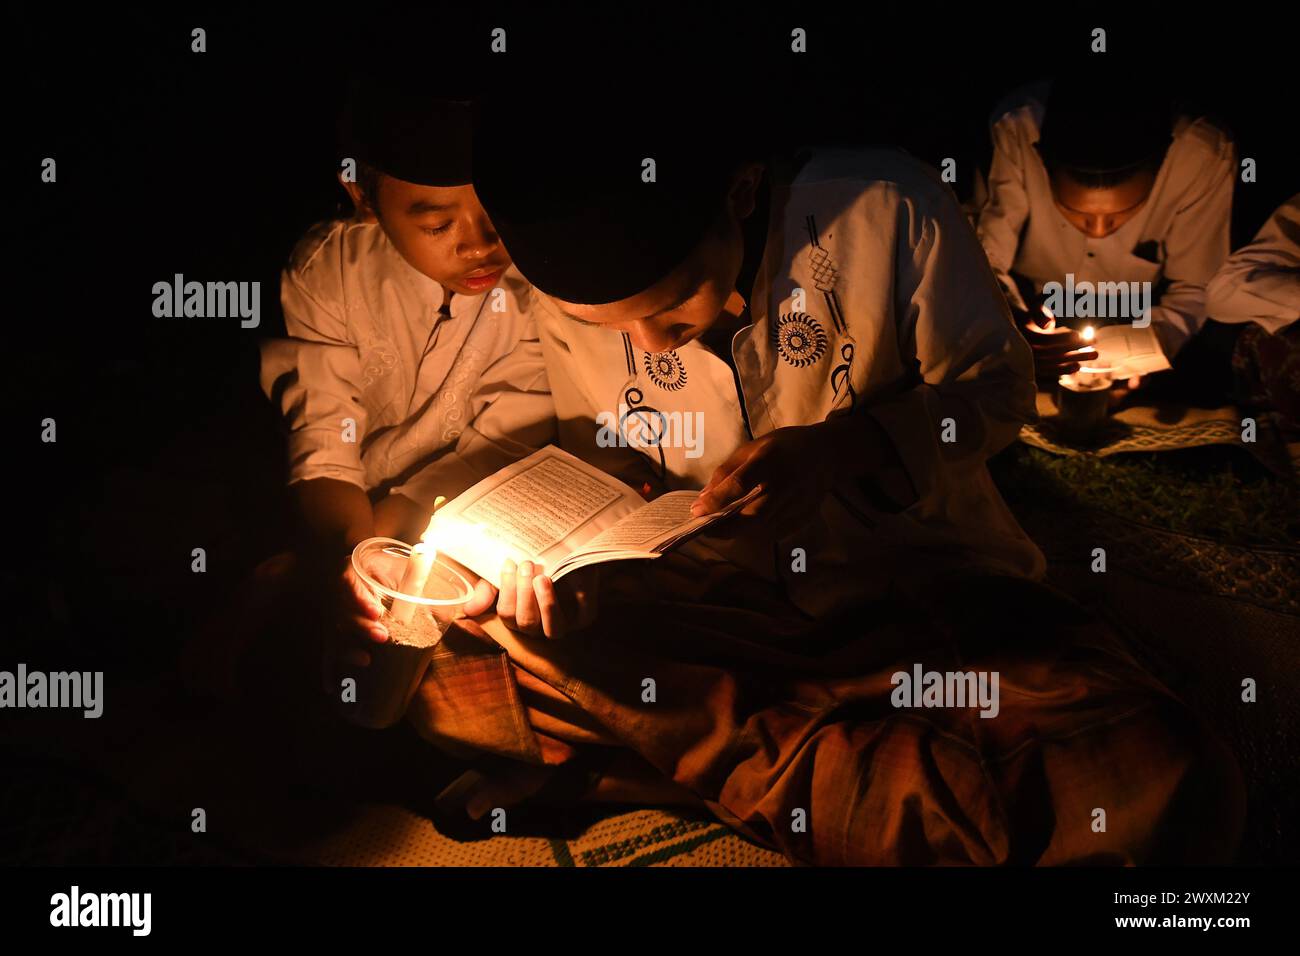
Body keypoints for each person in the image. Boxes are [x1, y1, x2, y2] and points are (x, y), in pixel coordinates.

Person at [404, 96, 1245, 865]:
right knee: (450, 673)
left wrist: (852, 448)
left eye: (673, 307)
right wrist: (549, 575)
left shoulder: (881, 206)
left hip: (925, 593)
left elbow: (994, 394)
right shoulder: (548, 293)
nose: (651, 348)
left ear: (737, 192)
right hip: (713, 610)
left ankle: (668, 771)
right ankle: (796, 776)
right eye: (607, 327)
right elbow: (596, 456)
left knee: (1150, 769)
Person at [181, 72, 554, 708]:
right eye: (437, 225)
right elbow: (323, 438)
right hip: (335, 512)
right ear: (362, 194)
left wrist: (384, 553)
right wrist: (349, 565)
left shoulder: (542, 284)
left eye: (497, 212)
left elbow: (499, 444)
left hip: (461, 515)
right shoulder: (330, 270)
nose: (481, 245)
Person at [976, 71, 1235, 386]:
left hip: (1138, 308)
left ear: (1161, 167)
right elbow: (981, 256)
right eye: (1077, 214)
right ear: (1043, 164)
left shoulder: (1203, 153)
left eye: (1119, 216)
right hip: (1033, 303)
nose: (1098, 231)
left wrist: (1143, 354)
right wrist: (1008, 324)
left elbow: (1196, 285)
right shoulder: (1016, 128)